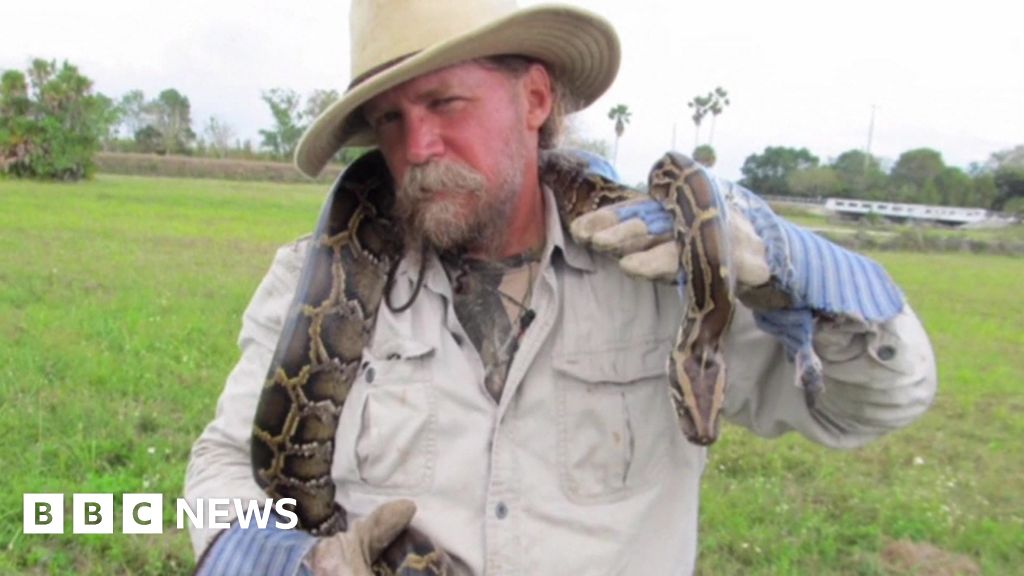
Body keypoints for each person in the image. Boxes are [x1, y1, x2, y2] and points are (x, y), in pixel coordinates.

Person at [185, 0, 937, 574]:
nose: (417, 146)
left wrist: (788, 269)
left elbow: (882, 398)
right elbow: (220, 471)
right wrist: (295, 563)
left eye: (445, 103)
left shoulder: (674, 275)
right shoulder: (307, 278)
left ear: (535, 99)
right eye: (390, 118)